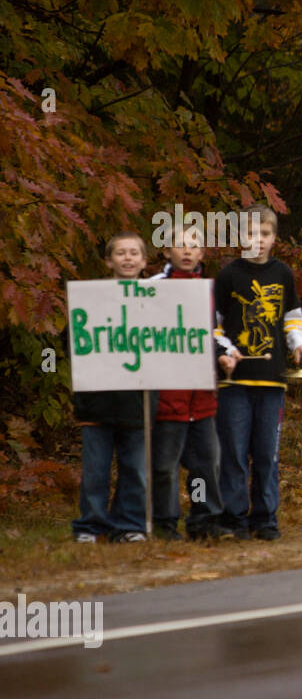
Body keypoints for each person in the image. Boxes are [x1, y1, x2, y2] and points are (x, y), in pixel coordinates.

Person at [214, 203, 302, 540]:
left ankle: (265, 519)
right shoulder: (228, 275)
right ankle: (234, 519)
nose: (257, 240)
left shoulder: (282, 274)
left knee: (267, 454)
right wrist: (225, 352)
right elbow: (214, 325)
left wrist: (299, 343)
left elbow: (292, 317)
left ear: (275, 239)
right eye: (250, 233)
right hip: (234, 382)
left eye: (264, 234)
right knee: (234, 453)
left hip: (272, 381)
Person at [70, 232, 158, 543]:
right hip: (97, 402)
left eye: (135, 253)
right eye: (121, 253)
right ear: (109, 260)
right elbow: (77, 343)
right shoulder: (91, 300)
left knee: (135, 470)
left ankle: (129, 526)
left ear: (144, 261)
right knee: (95, 473)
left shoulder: (156, 302)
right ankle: (90, 527)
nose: (128, 258)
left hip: (138, 402)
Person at [148, 226, 233, 540]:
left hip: (202, 397)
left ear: (202, 253)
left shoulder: (210, 290)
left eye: (193, 245)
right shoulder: (153, 287)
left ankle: (204, 520)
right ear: (167, 251)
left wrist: (225, 356)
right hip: (168, 395)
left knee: (205, 463)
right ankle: (165, 523)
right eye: (179, 245)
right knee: (165, 466)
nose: (186, 250)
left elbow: (215, 336)